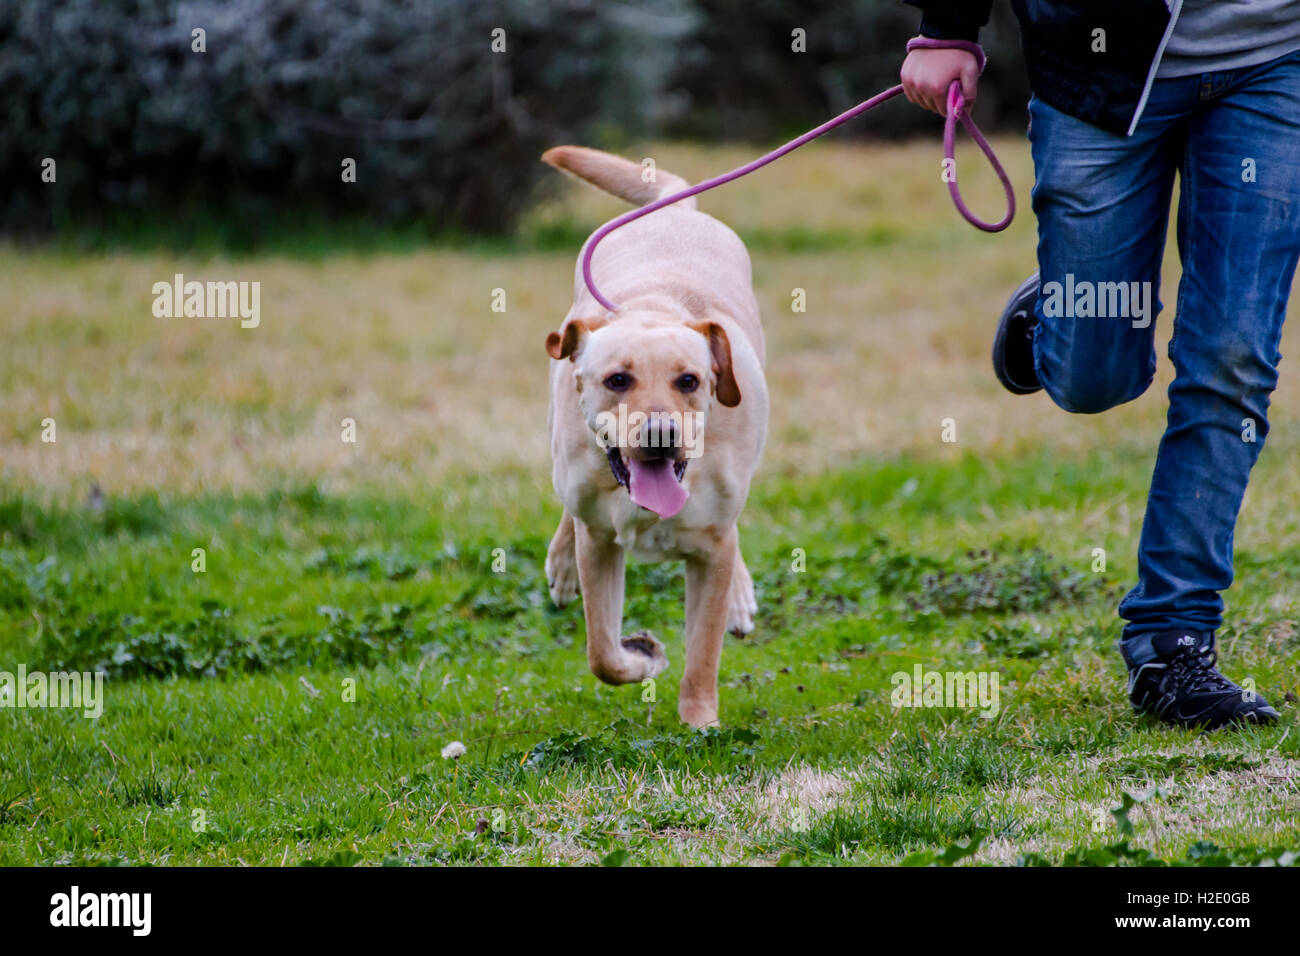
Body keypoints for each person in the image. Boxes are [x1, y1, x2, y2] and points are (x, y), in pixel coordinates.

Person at [901, 0, 1300, 729]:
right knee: (1092, 377)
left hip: (1279, 60)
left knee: (1232, 359)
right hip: (1101, 55)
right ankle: (1064, 319)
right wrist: (949, 23)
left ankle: (1171, 642)